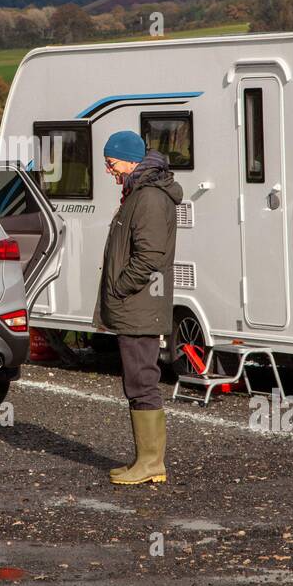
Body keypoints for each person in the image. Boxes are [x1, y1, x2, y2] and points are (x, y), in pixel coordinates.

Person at [94, 131, 182, 485]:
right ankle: (145, 460)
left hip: (139, 304)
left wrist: (120, 287)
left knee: (142, 381)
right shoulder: (141, 193)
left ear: (130, 160)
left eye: (111, 163)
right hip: (137, 304)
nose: (109, 170)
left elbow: (150, 255)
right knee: (138, 379)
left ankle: (150, 463)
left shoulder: (147, 198)